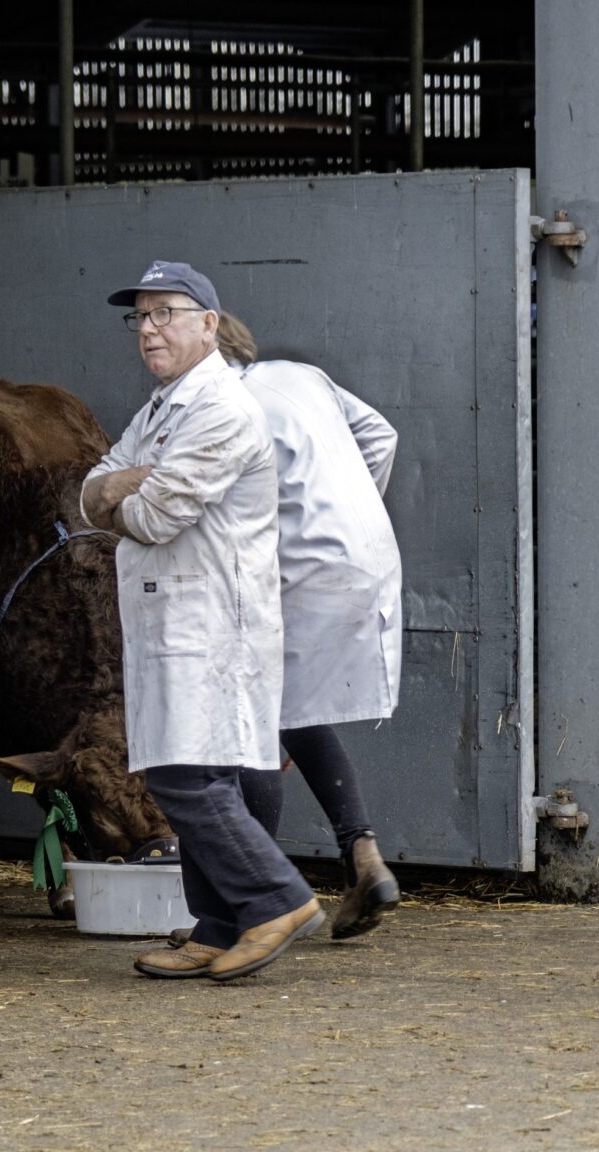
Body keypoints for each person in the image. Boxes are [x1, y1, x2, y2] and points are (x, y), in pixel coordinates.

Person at [79, 262, 324, 981]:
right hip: (175, 613)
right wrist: (117, 489)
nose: (149, 329)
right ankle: (220, 925)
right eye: (140, 317)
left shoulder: (219, 408)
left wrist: (119, 493)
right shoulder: (163, 406)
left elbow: (154, 517)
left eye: (165, 313)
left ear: (208, 324)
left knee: (184, 772)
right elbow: (89, 490)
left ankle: (275, 900)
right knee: (214, 766)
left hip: (211, 616)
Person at [222, 312, 403, 939]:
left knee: (254, 721)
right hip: (367, 553)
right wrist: (347, 514)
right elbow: (380, 437)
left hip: (295, 568)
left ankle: (257, 902)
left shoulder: (219, 404)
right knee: (292, 711)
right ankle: (363, 856)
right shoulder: (300, 375)